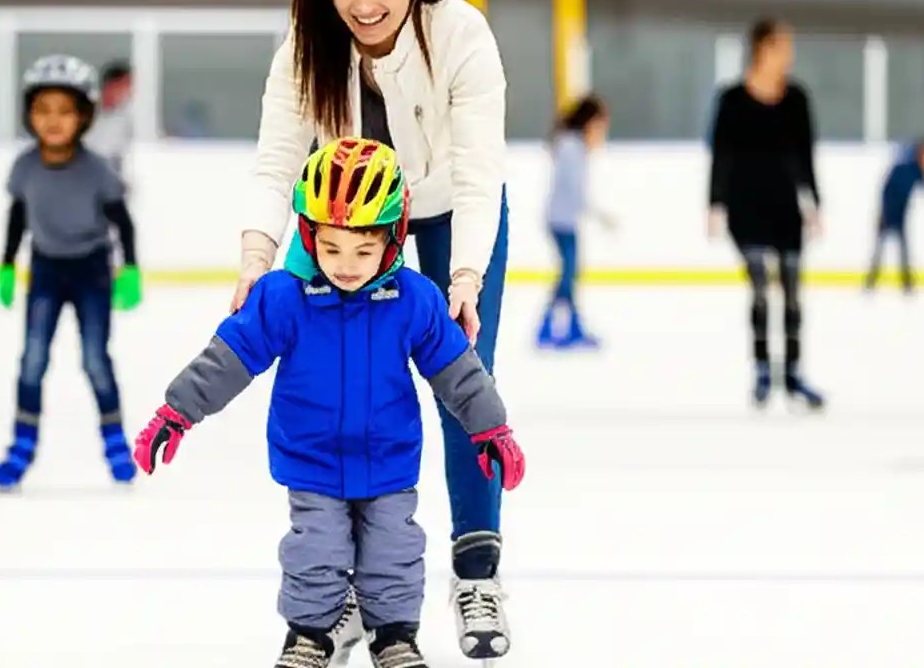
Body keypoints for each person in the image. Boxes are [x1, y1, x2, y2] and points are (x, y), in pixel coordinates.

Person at [133, 138, 525, 668]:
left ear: (392, 240)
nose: (346, 265)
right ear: (308, 234)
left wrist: (490, 428)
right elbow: (228, 359)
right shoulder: (283, 298)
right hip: (311, 459)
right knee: (314, 550)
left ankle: (393, 638)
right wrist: (176, 412)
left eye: (363, 251)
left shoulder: (414, 300)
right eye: (331, 247)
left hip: (387, 460)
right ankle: (309, 636)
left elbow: (458, 372)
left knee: (394, 553)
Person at [230, 0, 512, 660]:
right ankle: (350, 586)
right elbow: (277, 158)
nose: (362, 5)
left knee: (462, 378)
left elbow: (481, 175)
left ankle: (477, 572)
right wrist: (257, 260)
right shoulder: (307, 42)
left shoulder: (462, 35)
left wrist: (467, 278)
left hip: (451, 208)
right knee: (331, 384)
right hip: (343, 219)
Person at [0, 54, 144, 491]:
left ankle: (115, 441)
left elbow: (123, 220)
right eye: (43, 111)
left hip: (92, 271)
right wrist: (6, 265)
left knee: (96, 359)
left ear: (84, 117)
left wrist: (130, 269)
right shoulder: (25, 167)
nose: (53, 121)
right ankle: (21, 446)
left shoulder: (96, 169)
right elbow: (18, 216)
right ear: (29, 116)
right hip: (45, 269)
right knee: (33, 359)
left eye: (65, 111)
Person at [707, 18, 826, 410]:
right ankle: (762, 368)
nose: (789, 54)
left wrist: (815, 204)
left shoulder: (797, 100)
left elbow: (806, 156)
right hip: (746, 207)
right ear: (762, 49)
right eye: (783, 46)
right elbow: (721, 155)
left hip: (785, 207)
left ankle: (791, 372)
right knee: (760, 288)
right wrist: (715, 204)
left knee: (792, 292)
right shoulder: (732, 100)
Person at [537, 94, 616, 349]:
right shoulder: (571, 147)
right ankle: (551, 326)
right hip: (561, 220)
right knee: (569, 274)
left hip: (565, 219)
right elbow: (573, 188)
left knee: (570, 274)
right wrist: (598, 214)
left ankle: (569, 326)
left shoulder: (574, 146)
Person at [864, 138, 924, 294]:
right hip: (888, 211)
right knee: (879, 249)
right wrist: (884, 213)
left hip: (901, 213)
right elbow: (887, 189)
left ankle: (906, 282)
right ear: (922, 152)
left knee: (903, 249)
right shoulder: (905, 165)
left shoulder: (918, 170)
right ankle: (871, 281)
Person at [86, 60, 135, 184]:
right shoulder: (85, 112)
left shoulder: (126, 118)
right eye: (125, 85)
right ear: (111, 85)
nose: (128, 91)